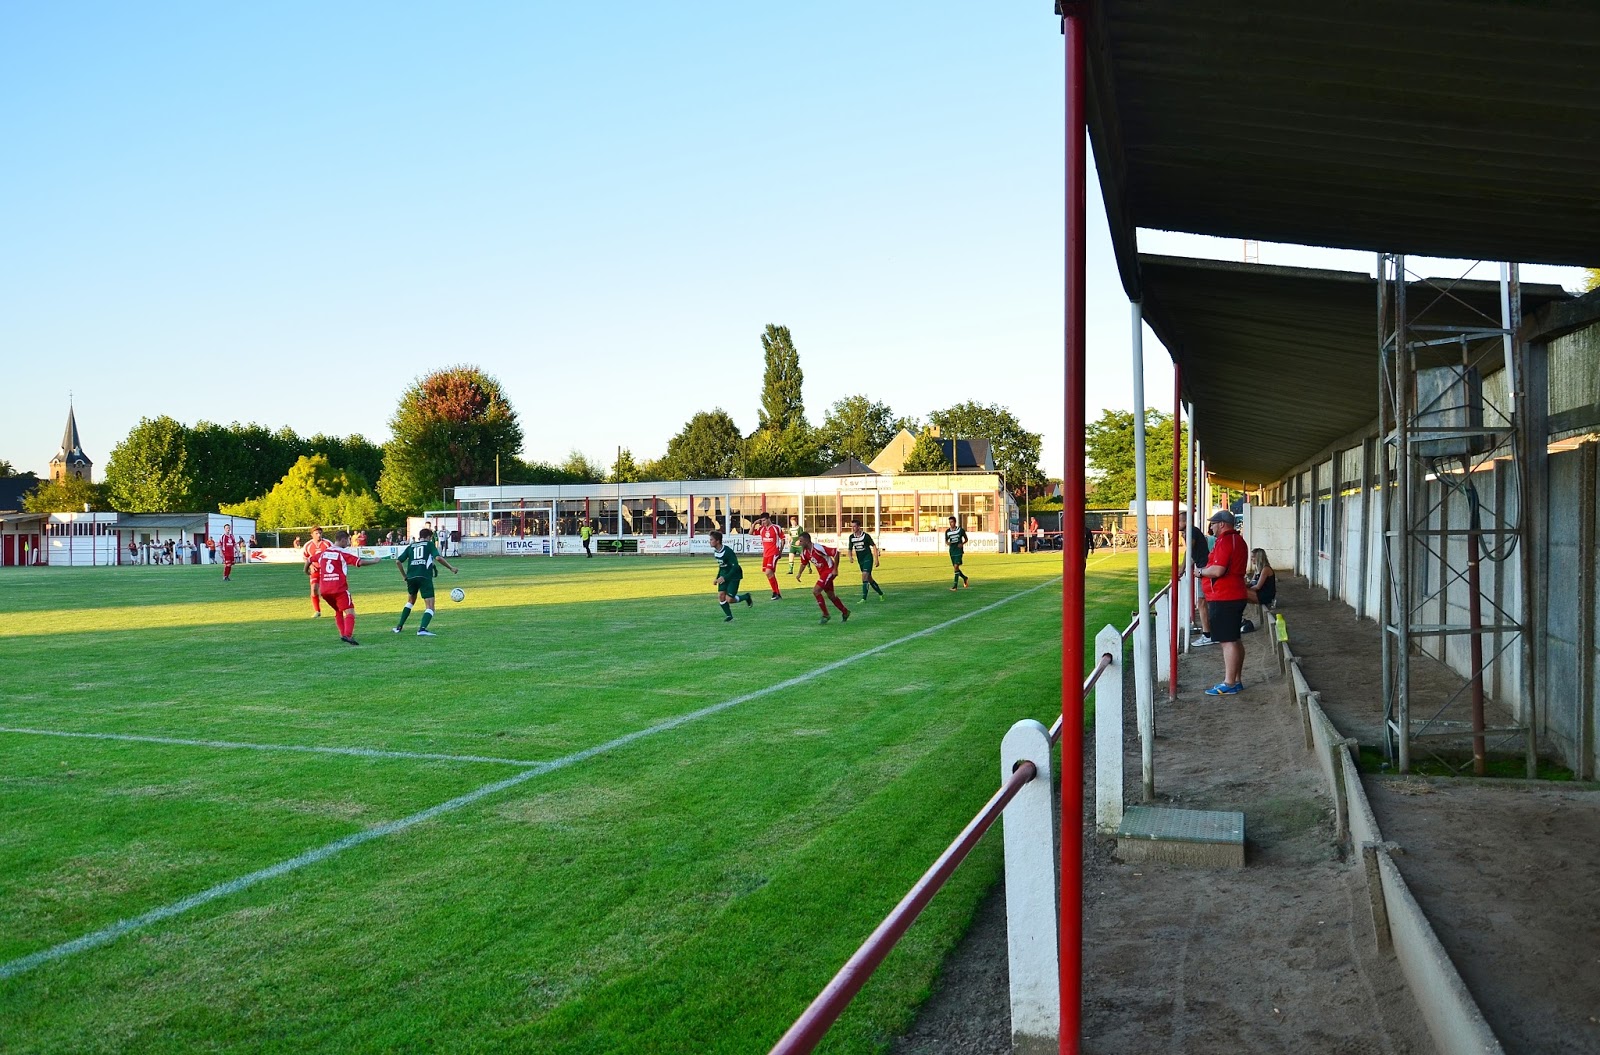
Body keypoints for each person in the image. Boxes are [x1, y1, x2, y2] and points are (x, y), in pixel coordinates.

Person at [1196, 510, 1250, 695]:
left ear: (1222, 524)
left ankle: (1229, 683)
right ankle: (1236, 680)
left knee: (1227, 641)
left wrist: (1200, 572)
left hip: (1225, 596)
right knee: (1234, 638)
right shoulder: (1237, 540)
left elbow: (1218, 570)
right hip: (1234, 595)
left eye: (1213, 523)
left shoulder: (1226, 541)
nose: (1211, 527)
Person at [307, 530, 385, 645]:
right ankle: (347, 635)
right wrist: (375, 561)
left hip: (324, 590)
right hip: (339, 588)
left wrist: (306, 571)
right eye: (348, 540)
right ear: (343, 540)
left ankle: (342, 634)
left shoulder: (323, 553)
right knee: (350, 612)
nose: (349, 543)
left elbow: (309, 560)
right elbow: (359, 562)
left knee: (338, 610)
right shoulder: (342, 554)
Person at [392, 527, 460, 636]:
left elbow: (398, 561)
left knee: (410, 601)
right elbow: (438, 558)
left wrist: (404, 576)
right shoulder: (429, 545)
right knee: (430, 606)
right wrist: (451, 568)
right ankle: (422, 629)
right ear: (429, 537)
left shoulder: (411, 546)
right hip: (424, 577)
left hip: (411, 577)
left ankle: (399, 627)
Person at [796, 532, 850, 624]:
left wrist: (835, 569)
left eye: (801, 541)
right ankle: (845, 612)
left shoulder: (818, 548)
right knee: (831, 595)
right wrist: (799, 574)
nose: (799, 543)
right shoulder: (804, 552)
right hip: (823, 574)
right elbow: (804, 563)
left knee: (816, 591)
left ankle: (826, 615)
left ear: (807, 541)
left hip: (829, 571)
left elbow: (836, 552)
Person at [1179, 511, 1213, 643]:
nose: (1177, 524)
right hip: (1203, 568)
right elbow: (1193, 555)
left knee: (1202, 602)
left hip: (1204, 569)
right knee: (1203, 602)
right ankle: (1210, 632)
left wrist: (1181, 569)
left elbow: (1189, 552)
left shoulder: (1192, 531)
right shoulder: (1192, 531)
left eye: (1179, 521)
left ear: (1186, 521)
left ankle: (1208, 634)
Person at [707, 530, 755, 622]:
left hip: (734, 575)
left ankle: (746, 597)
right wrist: (717, 578)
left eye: (711, 540)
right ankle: (729, 616)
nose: (710, 542)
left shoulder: (728, 551)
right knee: (721, 596)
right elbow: (721, 566)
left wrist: (724, 577)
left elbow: (735, 567)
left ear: (718, 541)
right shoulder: (716, 552)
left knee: (729, 599)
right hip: (724, 575)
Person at [845, 518, 884, 601]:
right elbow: (850, 548)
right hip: (860, 560)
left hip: (868, 558)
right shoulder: (851, 537)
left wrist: (876, 559)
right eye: (851, 527)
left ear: (859, 527)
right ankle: (881, 593)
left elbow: (874, 546)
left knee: (864, 575)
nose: (852, 528)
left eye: (854, 526)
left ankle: (864, 599)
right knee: (869, 578)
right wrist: (850, 557)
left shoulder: (865, 536)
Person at [302, 526, 332, 618]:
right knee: (314, 589)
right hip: (315, 570)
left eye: (320, 533)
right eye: (316, 533)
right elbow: (305, 557)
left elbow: (334, 554)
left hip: (326, 570)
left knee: (328, 591)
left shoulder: (327, 543)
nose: (319, 535)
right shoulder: (308, 545)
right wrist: (310, 566)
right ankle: (317, 611)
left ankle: (340, 607)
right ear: (312, 535)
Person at [754, 513, 785, 599]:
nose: (763, 522)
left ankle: (776, 593)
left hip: (774, 553)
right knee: (769, 574)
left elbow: (783, 539)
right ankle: (776, 593)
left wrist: (780, 551)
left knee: (768, 572)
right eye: (762, 521)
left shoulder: (776, 528)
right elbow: (750, 532)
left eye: (764, 520)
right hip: (766, 555)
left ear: (768, 519)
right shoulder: (762, 529)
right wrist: (754, 523)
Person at [945, 515, 970, 590]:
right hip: (952, 551)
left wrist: (962, 544)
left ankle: (955, 586)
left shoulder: (960, 530)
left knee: (956, 566)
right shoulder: (947, 531)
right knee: (956, 568)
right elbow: (946, 540)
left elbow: (966, 539)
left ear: (955, 522)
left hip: (959, 550)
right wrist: (948, 543)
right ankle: (965, 578)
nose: (951, 524)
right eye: (950, 522)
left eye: (952, 522)